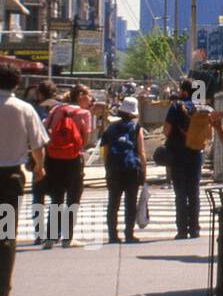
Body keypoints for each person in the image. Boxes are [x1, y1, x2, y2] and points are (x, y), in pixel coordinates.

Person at [1, 63, 48, 296]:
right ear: (17, 84)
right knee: (6, 232)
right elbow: (38, 145)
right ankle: (3, 289)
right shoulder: (24, 109)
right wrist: (39, 167)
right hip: (10, 178)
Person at [42, 84, 95, 248]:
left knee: (56, 197)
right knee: (73, 198)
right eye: (88, 95)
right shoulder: (84, 113)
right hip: (73, 158)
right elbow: (85, 140)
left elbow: (45, 130)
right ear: (80, 96)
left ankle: (51, 237)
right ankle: (67, 238)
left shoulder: (56, 110)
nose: (90, 99)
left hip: (53, 158)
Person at [100, 97, 147, 244]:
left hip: (114, 168)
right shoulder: (135, 128)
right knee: (130, 202)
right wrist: (144, 169)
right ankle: (129, 234)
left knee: (113, 203)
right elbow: (141, 151)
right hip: (131, 168)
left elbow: (105, 151)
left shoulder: (110, 128)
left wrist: (107, 168)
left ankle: (112, 235)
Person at [164, 80, 207, 240]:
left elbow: (166, 130)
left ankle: (182, 229)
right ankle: (194, 228)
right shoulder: (201, 108)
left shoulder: (176, 107)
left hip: (177, 153)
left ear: (184, 91)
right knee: (194, 191)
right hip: (196, 152)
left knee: (180, 192)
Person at [24, 80, 57, 241]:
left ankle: (39, 233)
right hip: (58, 156)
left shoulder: (34, 110)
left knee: (38, 198)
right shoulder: (60, 108)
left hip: (39, 156)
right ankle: (56, 232)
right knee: (58, 196)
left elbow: (33, 138)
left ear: (39, 93)